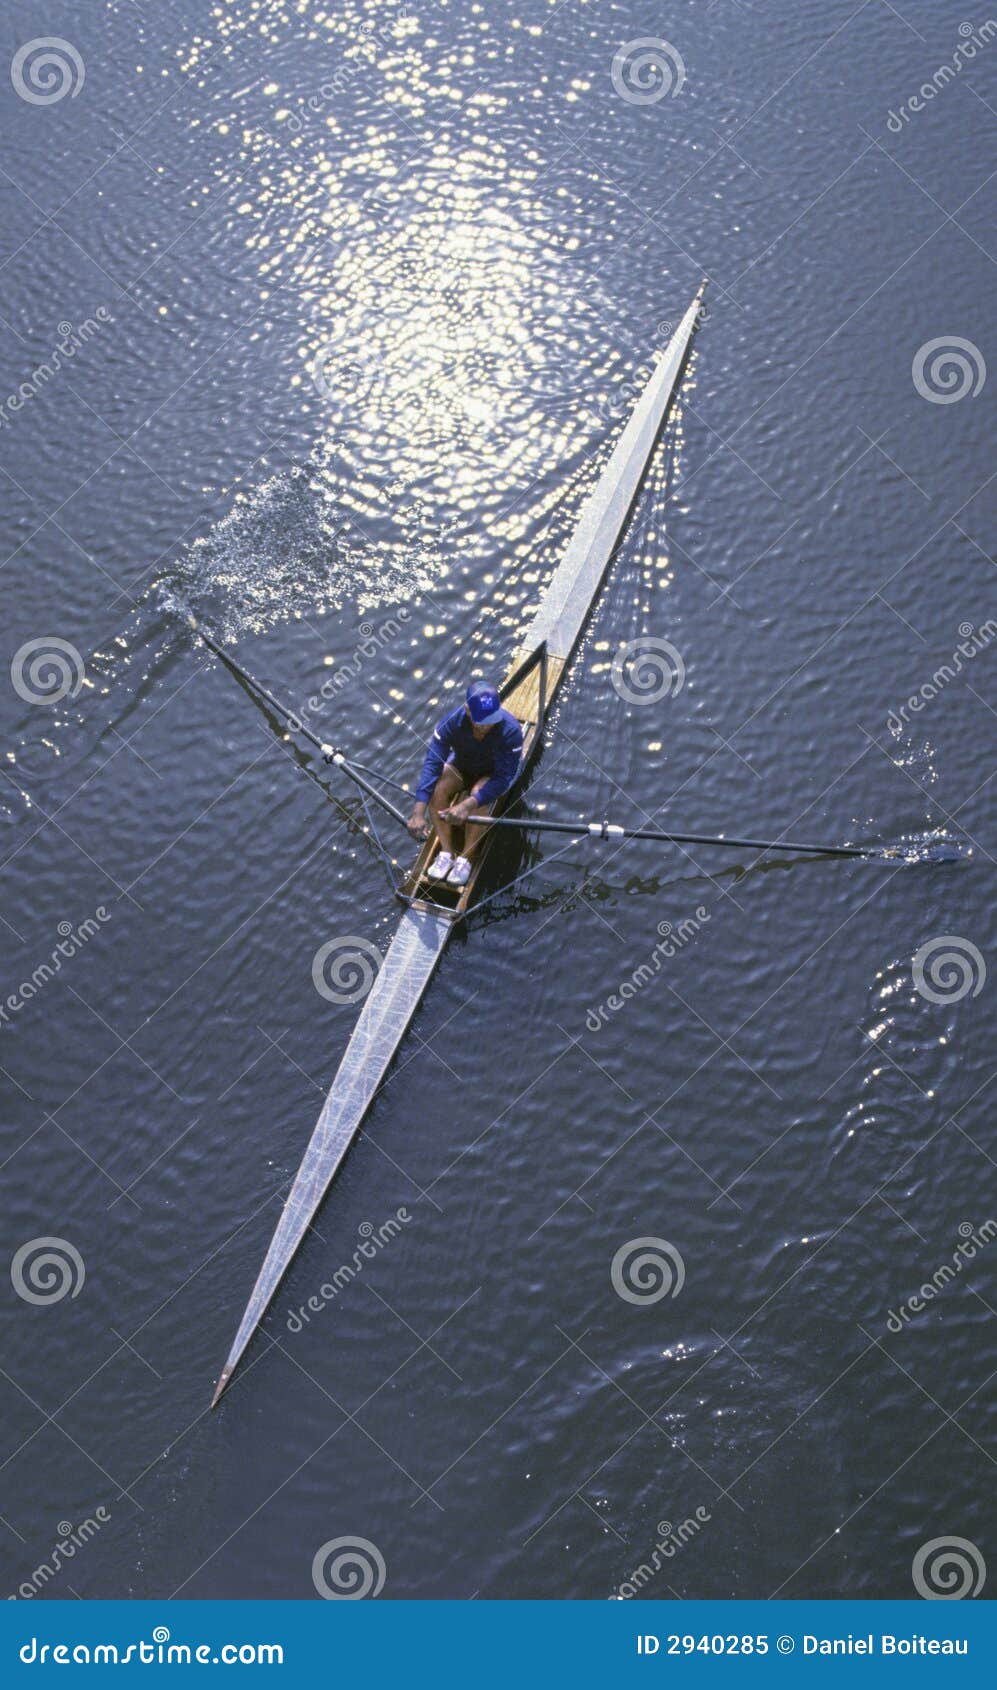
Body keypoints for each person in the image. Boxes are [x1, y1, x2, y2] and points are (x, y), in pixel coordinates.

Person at [407, 681, 524, 885]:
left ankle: (466, 859)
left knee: (479, 792)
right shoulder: (450, 723)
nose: (488, 726)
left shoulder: (511, 731)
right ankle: (446, 853)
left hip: (492, 774)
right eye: (482, 721)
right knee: (438, 785)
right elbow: (432, 764)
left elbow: (504, 778)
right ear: (468, 711)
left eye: (492, 720)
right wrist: (418, 812)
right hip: (462, 766)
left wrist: (467, 804)